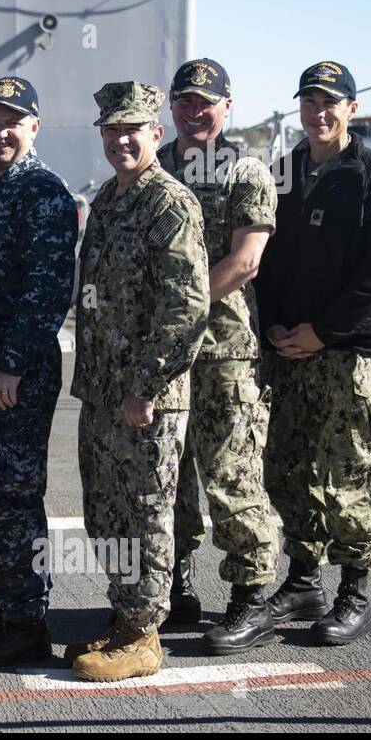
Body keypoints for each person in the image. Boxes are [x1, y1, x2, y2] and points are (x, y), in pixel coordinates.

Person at [254, 61, 371, 645]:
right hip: (286, 354)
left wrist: (323, 332)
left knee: (348, 475)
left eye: (331, 102)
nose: (318, 113)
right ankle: (302, 581)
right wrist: (272, 326)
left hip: (347, 357)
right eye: (310, 101)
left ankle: (354, 593)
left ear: (352, 109)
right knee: (287, 470)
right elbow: (260, 260)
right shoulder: (282, 174)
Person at [66, 81, 209, 682]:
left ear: (156, 133)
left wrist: (145, 386)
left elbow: (188, 306)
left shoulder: (169, 204)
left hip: (145, 398)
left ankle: (147, 634)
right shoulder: (108, 198)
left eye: (133, 129)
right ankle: (127, 617)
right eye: (111, 130)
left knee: (147, 511)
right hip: (101, 390)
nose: (122, 139)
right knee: (105, 510)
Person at [0, 77, 78, 666]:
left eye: (12, 120)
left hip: (13, 375)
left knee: (14, 493)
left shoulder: (44, 192)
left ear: (34, 126)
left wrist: (11, 365)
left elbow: (47, 290)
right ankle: (10, 603)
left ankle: (29, 619)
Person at [154, 58, 281, 654]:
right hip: (165, 354)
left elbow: (246, 260)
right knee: (171, 474)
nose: (193, 109)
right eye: (183, 99)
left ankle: (251, 599)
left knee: (232, 475)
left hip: (223, 351)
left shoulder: (246, 169)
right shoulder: (157, 168)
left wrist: (180, 309)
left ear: (227, 105)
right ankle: (176, 588)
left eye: (206, 101)